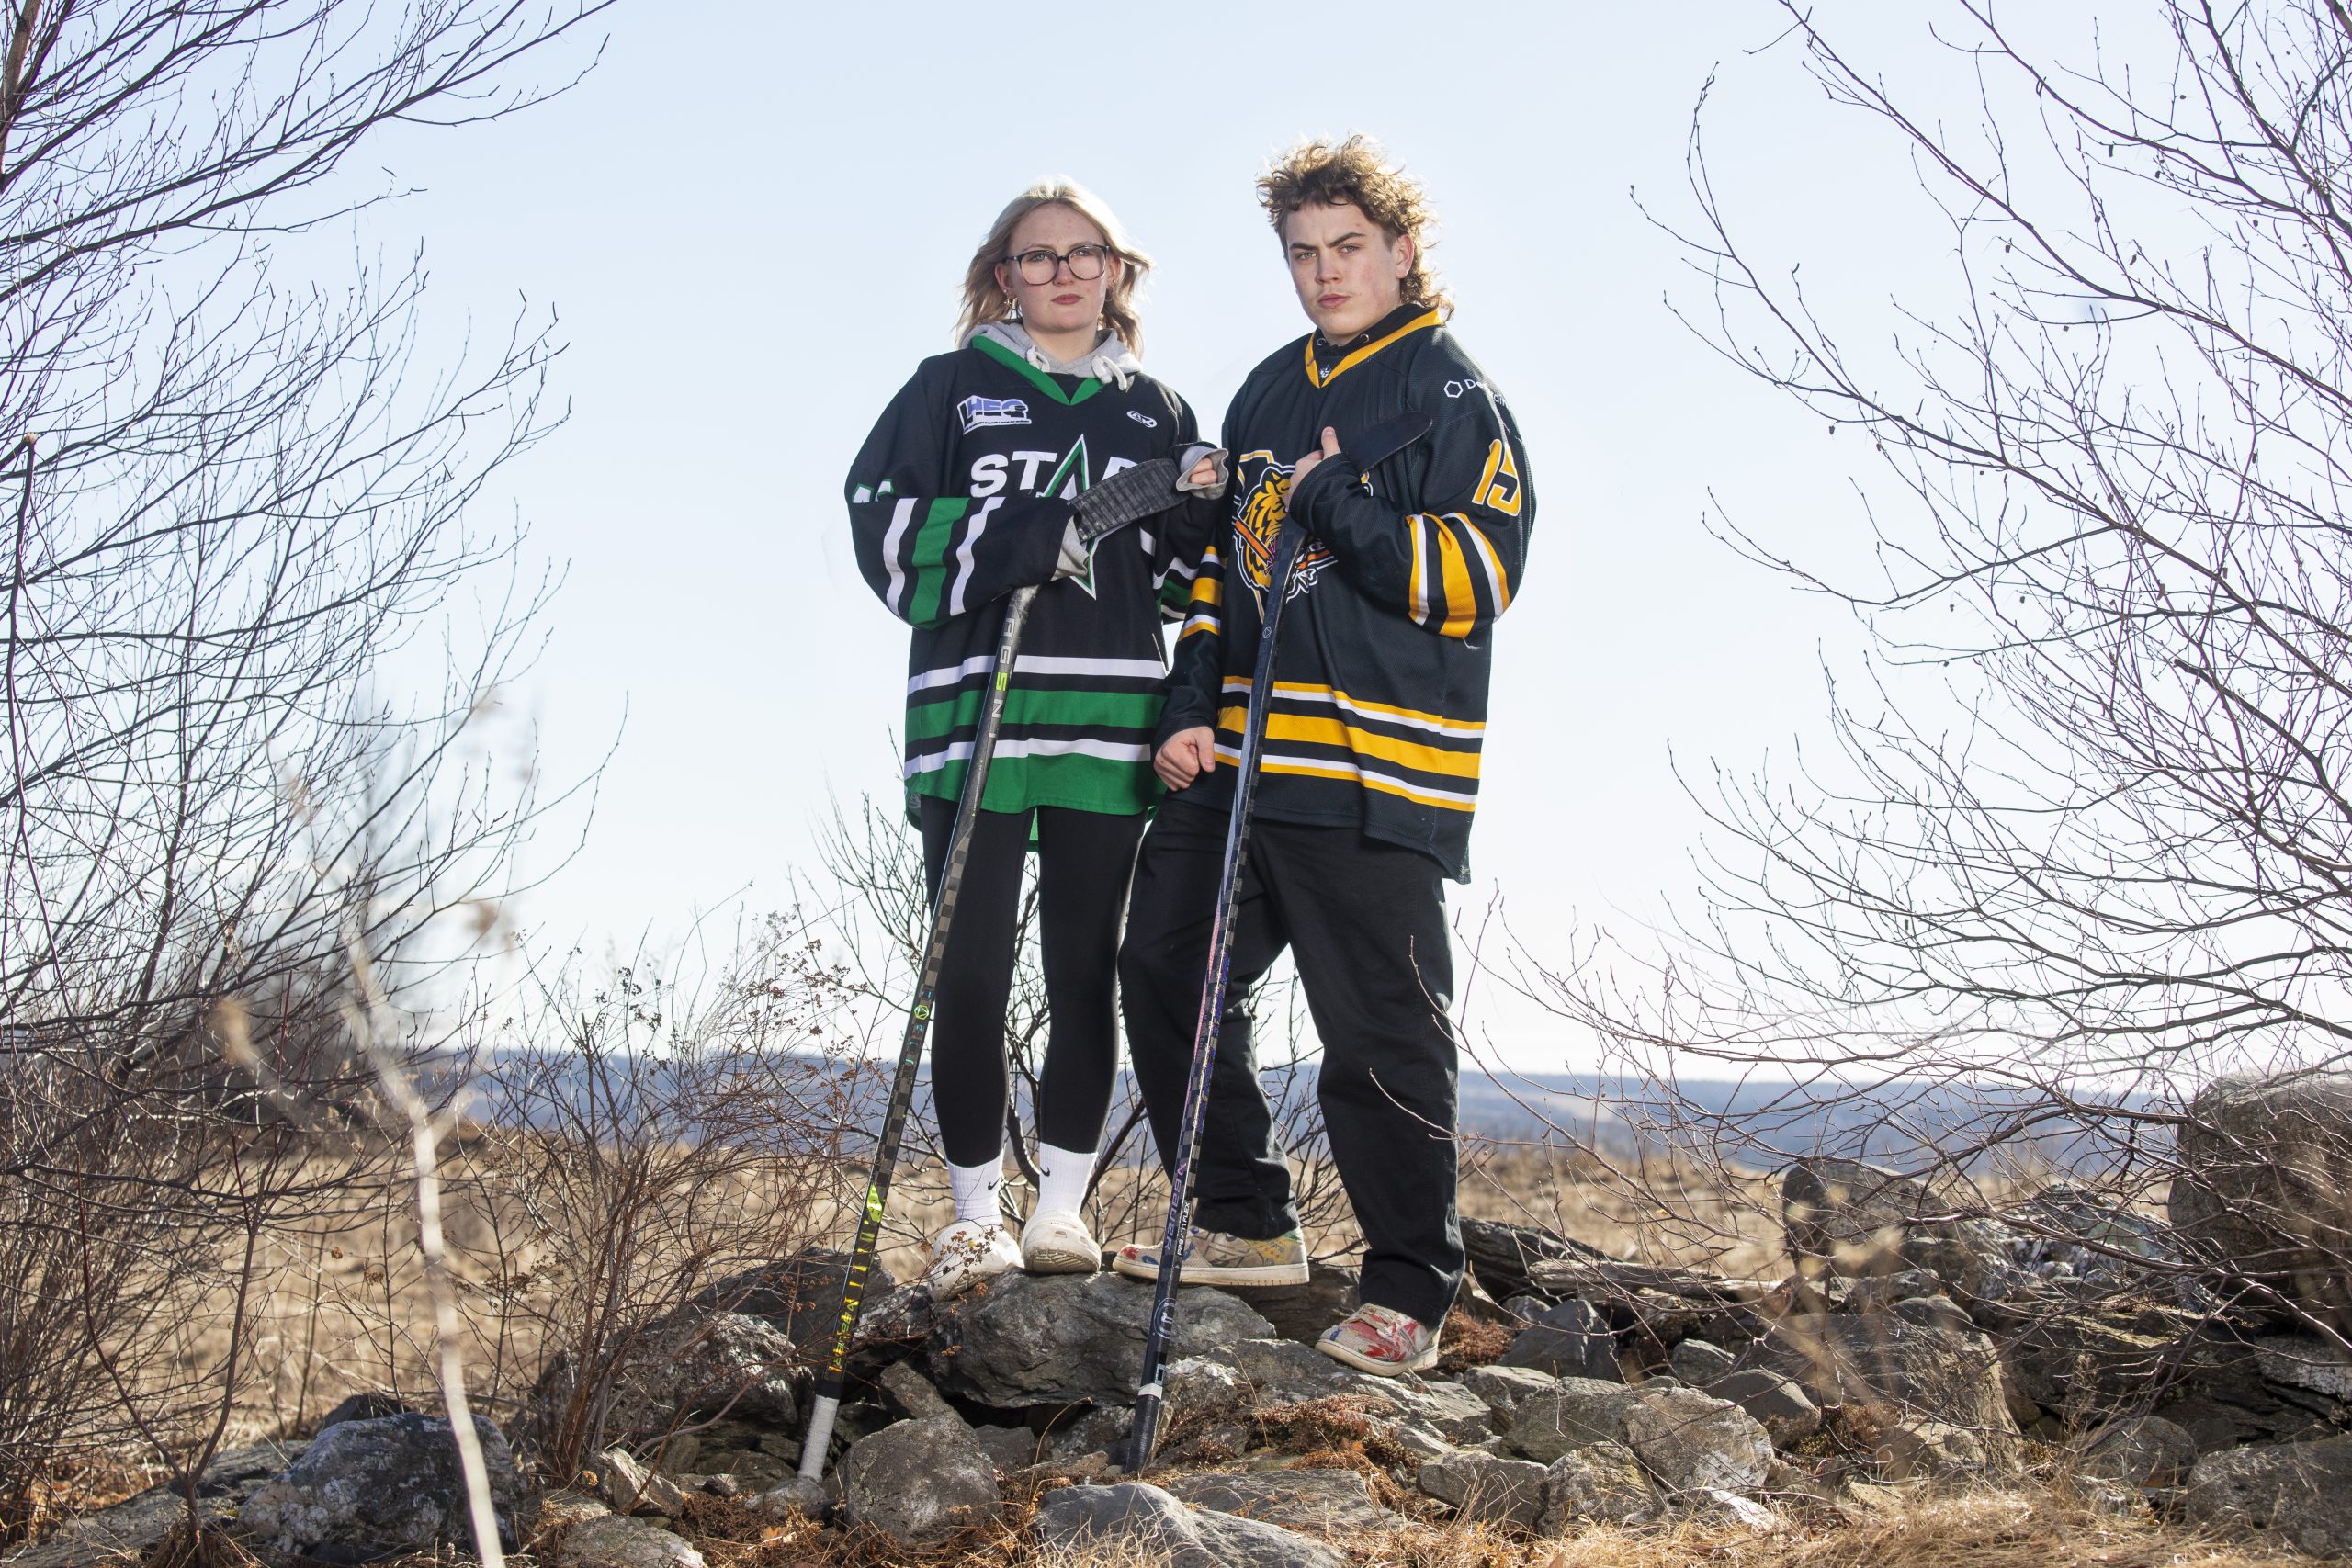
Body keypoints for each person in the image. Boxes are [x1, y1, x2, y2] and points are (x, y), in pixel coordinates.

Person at [1112, 136, 1533, 1374]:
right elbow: (1208, 578)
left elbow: (1477, 574)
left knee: (1380, 1032)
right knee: (1163, 963)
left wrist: (1327, 500)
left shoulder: (1454, 395)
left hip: (1375, 764)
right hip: (1240, 752)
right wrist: (1186, 702)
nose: (1323, 271)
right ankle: (1246, 1220)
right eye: (1303, 252)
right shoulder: (1264, 391)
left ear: (1403, 251)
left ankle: (1410, 1288)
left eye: (1347, 247)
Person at [845, 181, 1224, 1298]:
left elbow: (1173, 583)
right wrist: (1029, 530)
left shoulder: (1155, 412)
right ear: (1001, 276)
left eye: (1084, 255)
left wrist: (1195, 513)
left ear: (1117, 271)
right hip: (977, 712)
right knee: (967, 973)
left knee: (1083, 966)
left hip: (1107, 718)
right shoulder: (949, 389)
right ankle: (972, 1218)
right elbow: (885, 525)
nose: (1062, 273)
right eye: (1036, 256)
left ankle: (1061, 1207)